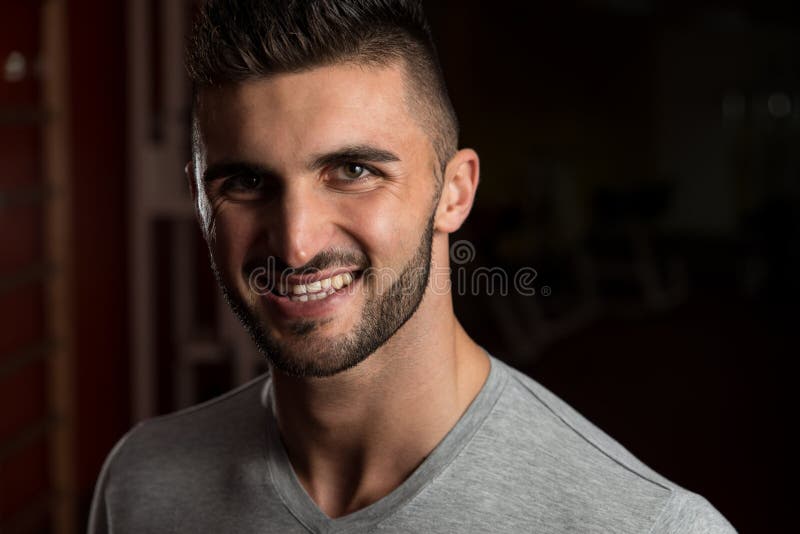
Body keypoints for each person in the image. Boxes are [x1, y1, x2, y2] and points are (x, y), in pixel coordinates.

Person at [89, 1, 736, 532]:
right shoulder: (140, 484)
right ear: (202, 201)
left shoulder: (649, 525)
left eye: (354, 171)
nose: (296, 244)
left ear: (454, 192)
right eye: (247, 182)